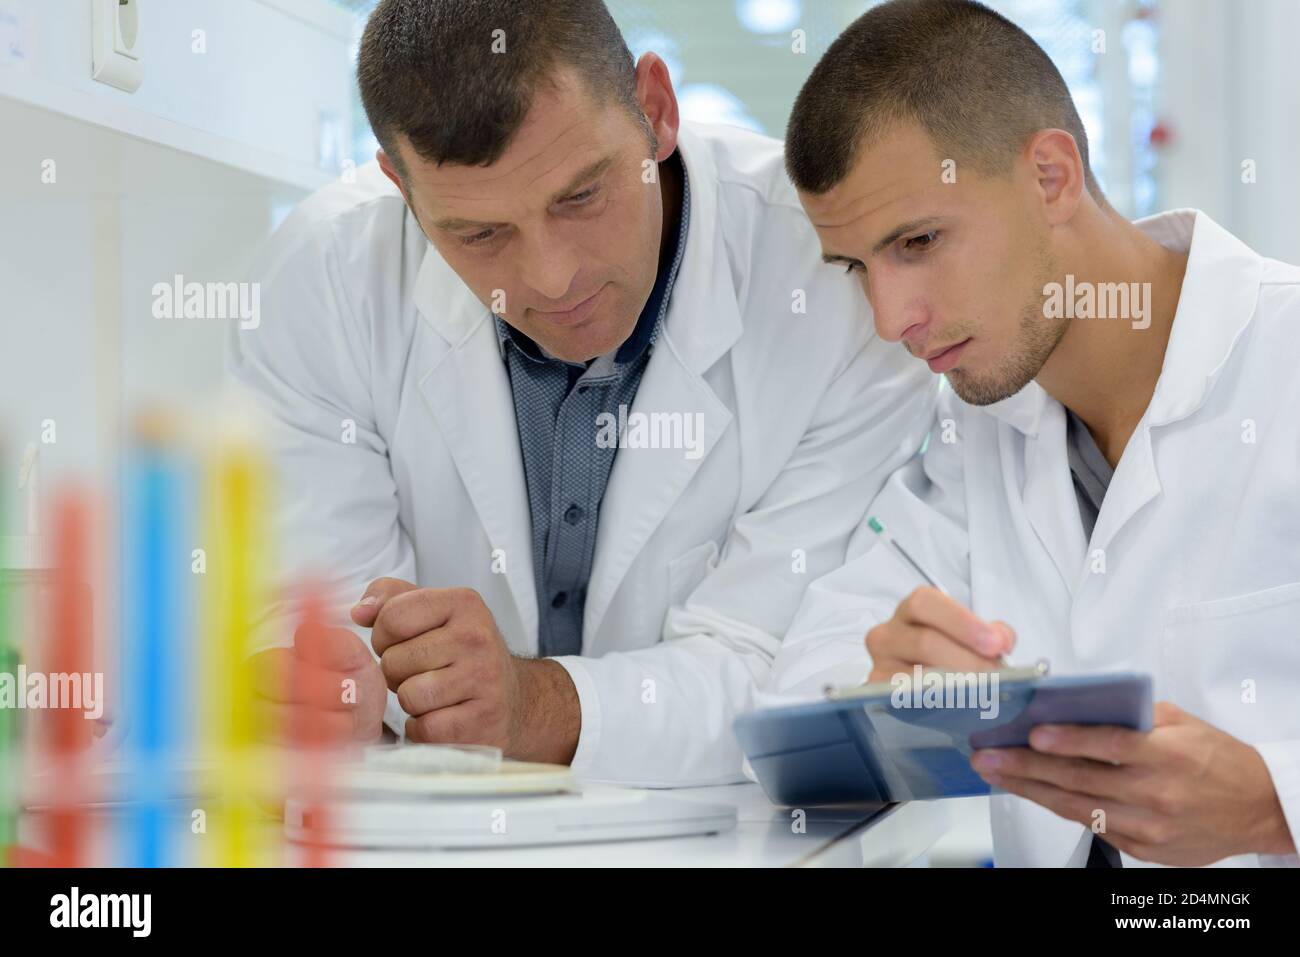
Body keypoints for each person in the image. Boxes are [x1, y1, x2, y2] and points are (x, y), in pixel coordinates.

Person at [228, 0, 935, 784]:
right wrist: (319, 687)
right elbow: (315, 608)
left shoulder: (834, 276)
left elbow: (791, 667)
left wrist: (532, 707)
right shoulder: (323, 278)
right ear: (400, 183)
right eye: (479, 234)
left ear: (656, 110)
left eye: (581, 196)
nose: (552, 278)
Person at [772, 0, 1300, 866]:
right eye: (858, 267)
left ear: (1051, 176)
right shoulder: (972, 437)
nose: (890, 318)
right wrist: (878, 690)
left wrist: (1274, 806)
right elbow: (797, 705)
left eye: (919, 240)